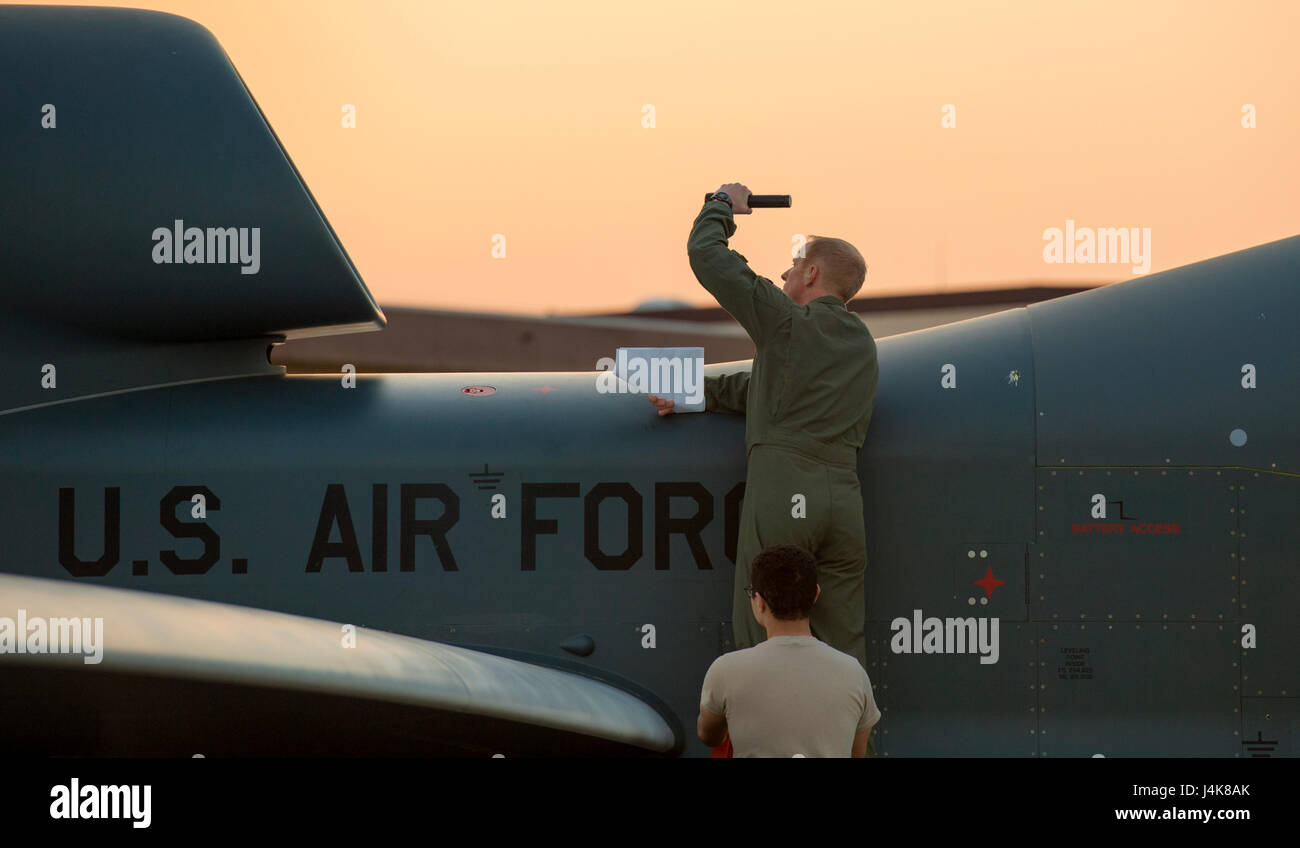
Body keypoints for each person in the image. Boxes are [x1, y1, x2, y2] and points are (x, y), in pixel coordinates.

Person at [648, 182, 878, 672]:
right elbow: (767, 388)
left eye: (794, 266)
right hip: (844, 502)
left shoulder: (786, 323)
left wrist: (721, 206)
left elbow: (707, 255)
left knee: (762, 633)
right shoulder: (862, 343)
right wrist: (698, 394)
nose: (784, 273)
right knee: (845, 654)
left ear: (812, 272)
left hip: (784, 488)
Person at [697, 545, 880, 757]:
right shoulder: (854, 673)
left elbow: (709, 736)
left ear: (759, 601)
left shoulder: (725, 670)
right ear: (815, 595)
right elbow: (857, 753)